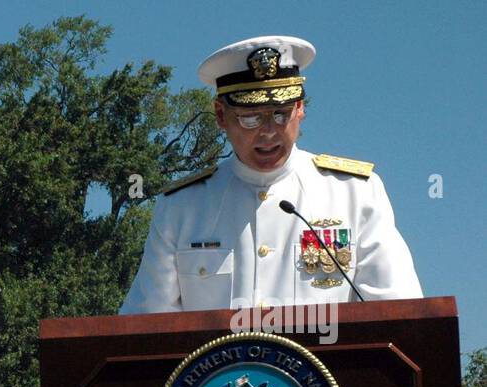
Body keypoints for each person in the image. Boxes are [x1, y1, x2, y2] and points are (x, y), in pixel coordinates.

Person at [122, 35, 422, 314]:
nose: (268, 132)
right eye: (250, 117)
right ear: (220, 115)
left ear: (300, 108)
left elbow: (399, 313)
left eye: (281, 114)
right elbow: (145, 328)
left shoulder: (355, 194)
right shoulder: (181, 208)